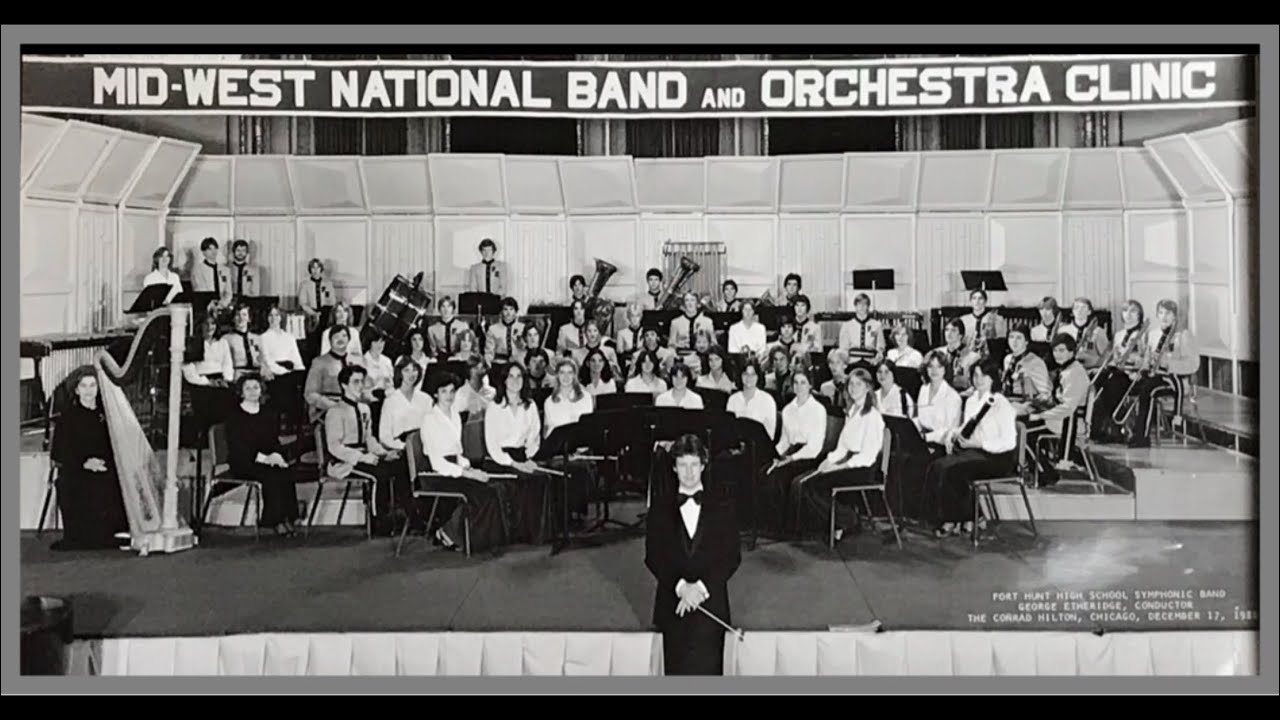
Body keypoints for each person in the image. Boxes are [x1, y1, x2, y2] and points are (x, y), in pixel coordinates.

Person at [644, 433, 741, 676]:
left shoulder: (723, 504)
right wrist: (681, 588)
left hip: (711, 606)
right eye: (683, 465)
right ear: (674, 468)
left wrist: (700, 588)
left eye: (694, 465)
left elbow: (731, 556)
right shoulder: (660, 506)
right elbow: (653, 555)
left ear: (704, 465)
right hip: (672, 605)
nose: (689, 472)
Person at [419, 371, 513, 552]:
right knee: (480, 494)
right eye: (444, 391)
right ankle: (448, 534)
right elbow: (437, 462)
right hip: (436, 474)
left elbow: (458, 453)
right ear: (435, 394)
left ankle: (483, 539)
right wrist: (467, 473)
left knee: (495, 488)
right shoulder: (429, 420)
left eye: (452, 391)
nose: (449, 396)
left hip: (454, 468)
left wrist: (469, 467)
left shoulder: (455, 415)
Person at [924, 359, 1018, 538]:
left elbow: (1009, 442)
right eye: (975, 375)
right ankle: (964, 516)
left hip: (998, 458)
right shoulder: (972, 400)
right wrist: (955, 435)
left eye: (984, 375)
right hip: (975, 453)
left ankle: (958, 518)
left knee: (952, 470)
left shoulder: (1001, 403)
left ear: (992, 379)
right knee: (938, 465)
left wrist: (980, 445)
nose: (979, 379)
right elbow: (969, 427)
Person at [796, 369, 885, 540]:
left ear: (867, 387)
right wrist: (828, 461)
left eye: (858, 384)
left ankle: (849, 521)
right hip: (849, 461)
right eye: (850, 383)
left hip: (863, 469)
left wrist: (839, 467)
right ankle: (839, 522)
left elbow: (867, 457)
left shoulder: (873, 416)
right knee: (809, 482)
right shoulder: (852, 412)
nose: (853, 388)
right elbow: (842, 447)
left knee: (814, 486)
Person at [324, 365, 411, 537]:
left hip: (366, 455)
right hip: (344, 462)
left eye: (362, 382)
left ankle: (408, 516)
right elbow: (334, 447)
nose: (360, 386)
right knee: (379, 474)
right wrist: (362, 458)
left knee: (400, 466)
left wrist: (384, 453)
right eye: (355, 382)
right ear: (344, 385)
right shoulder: (335, 412)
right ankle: (378, 520)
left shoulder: (365, 409)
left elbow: (369, 439)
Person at [49, 368, 129, 550]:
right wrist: (85, 463)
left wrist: (105, 462)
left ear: (99, 388)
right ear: (76, 390)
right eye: (83, 386)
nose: (88, 390)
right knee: (68, 483)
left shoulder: (108, 414)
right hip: (77, 468)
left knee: (117, 478)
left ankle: (110, 533)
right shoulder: (67, 417)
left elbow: (116, 444)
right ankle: (83, 537)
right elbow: (59, 452)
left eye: (93, 385)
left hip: (105, 466)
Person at [223, 374, 300, 536]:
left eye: (255, 387)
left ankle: (289, 517)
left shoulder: (268, 413)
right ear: (241, 392)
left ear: (261, 391)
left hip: (266, 458)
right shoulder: (234, 416)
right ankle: (274, 521)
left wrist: (277, 456)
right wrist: (265, 459)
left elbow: (273, 441)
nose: (252, 391)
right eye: (248, 388)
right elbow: (238, 447)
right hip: (243, 461)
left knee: (285, 471)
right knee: (271, 475)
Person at [756, 369, 827, 536]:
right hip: (791, 453)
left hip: (809, 456)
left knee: (779, 477)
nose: (799, 386)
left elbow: (814, 447)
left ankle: (785, 529)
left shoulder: (818, 409)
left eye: (803, 382)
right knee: (764, 471)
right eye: (796, 382)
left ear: (810, 385)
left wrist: (790, 459)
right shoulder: (788, 409)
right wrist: (774, 457)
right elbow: (784, 441)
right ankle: (768, 524)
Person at [484, 362, 549, 543]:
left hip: (522, 456)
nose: (515, 381)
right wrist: (514, 464)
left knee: (542, 479)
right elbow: (492, 445)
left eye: (519, 376)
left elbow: (534, 438)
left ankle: (535, 533)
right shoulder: (494, 407)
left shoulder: (530, 405)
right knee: (524, 480)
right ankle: (517, 533)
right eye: (510, 376)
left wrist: (529, 459)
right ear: (504, 381)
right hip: (499, 460)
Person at [1125, 299, 1200, 448]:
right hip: (1154, 376)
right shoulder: (1153, 334)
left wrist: (1169, 363)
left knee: (1148, 390)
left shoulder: (1183, 335)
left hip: (1175, 380)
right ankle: (1125, 430)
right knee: (1130, 385)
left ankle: (1142, 436)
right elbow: (1147, 359)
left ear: (1175, 316)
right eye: (1161, 313)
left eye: (1168, 313)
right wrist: (1138, 367)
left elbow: (1193, 364)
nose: (1164, 317)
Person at [1026, 334, 1091, 485]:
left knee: (1024, 433)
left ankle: (1046, 473)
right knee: (1024, 422)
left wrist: (1041, 415)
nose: (1057, 354)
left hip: (1068, 422)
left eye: (1062, 350)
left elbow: (1068, 408)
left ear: (1072, 352)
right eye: (1055, 351)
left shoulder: (1074, 373)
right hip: (1060, 418)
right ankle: (1037, 469)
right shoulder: (1067, 370)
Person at [379, 358, 434, 453]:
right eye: (406, 370)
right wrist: (404, 446)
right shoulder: (390, 401)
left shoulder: (426, 399)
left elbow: (431, 428)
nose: (411, 374)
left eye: (414, 370)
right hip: (401, 450)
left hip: (425, 448)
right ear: (399, 373)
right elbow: (384, 436)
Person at [914, 350, 963, 454]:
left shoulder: (953, 397)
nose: (934, 370)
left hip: (941, 447)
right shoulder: (923, 389)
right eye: (931, 366)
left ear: (945, 370)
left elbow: (948, 432)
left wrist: (924, 437)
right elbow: (921, 419)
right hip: (922, 442)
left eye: (939, 366)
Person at [727, 359, 778, 441]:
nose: (749, 378)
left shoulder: (767, 400)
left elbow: (770, 435)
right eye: (745, 374)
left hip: (759, 447)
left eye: (753, 374)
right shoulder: (733, 399)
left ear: (758, 376)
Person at [838, 293, 884, 371]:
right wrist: (846, 360)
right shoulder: (847, 325)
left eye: (865, 304)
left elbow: (880, 348)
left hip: (870, 363)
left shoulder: (876, 325)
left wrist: (877, 359)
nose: (862, 307)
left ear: (868, 307)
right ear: (855, 306)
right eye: (859, 304)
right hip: (852, 363)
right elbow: (843, 348)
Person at [1063, 297, 1110, 370]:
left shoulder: (1098, 332)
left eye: (1083, 308)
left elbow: (1106, 355)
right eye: (1076, 308)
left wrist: (1099, 369)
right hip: (1069, 370)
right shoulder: (1063, 331)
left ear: (1089, 312)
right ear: (1072, 311)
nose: (1079, 310)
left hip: (1091, 369)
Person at [297, 258, 336, 334]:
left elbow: (332, 301)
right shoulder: (304, 284)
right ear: (310, 269)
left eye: (317, 267)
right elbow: (302, 303)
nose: (315, 270)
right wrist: (314, 313)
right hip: (310, 315)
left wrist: (323, 311)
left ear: (321, 269)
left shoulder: (328, 284)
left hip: (325, 314)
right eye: (313, 268)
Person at [191, 237, 232, 306]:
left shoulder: (225, 270)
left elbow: (228, 292)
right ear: (203, 252)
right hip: (205, 305)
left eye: (215, 248)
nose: (213, 251)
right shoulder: (198, 270)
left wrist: (223, 303)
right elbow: (200, 291)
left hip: (223, 306)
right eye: (209, 249)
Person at [428, 296, 472, 361]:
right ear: (439, 309)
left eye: (449, 306)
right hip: (441, 360)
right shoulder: (432, 329)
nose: (446, 310)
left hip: (459, 359)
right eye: (443, 306)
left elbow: (467, 347)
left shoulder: (463, 326)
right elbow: (433, 350)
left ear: (453, 309)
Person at [484, 297, 525, 365]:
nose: (508, 312)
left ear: (515, 311)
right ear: (501, 312)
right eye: (505, 309)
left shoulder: (522, 328)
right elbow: (489, 352)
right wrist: (489, 366)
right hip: (499, 363)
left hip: (518, 363)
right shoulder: (493, 329)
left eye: (511, 309)